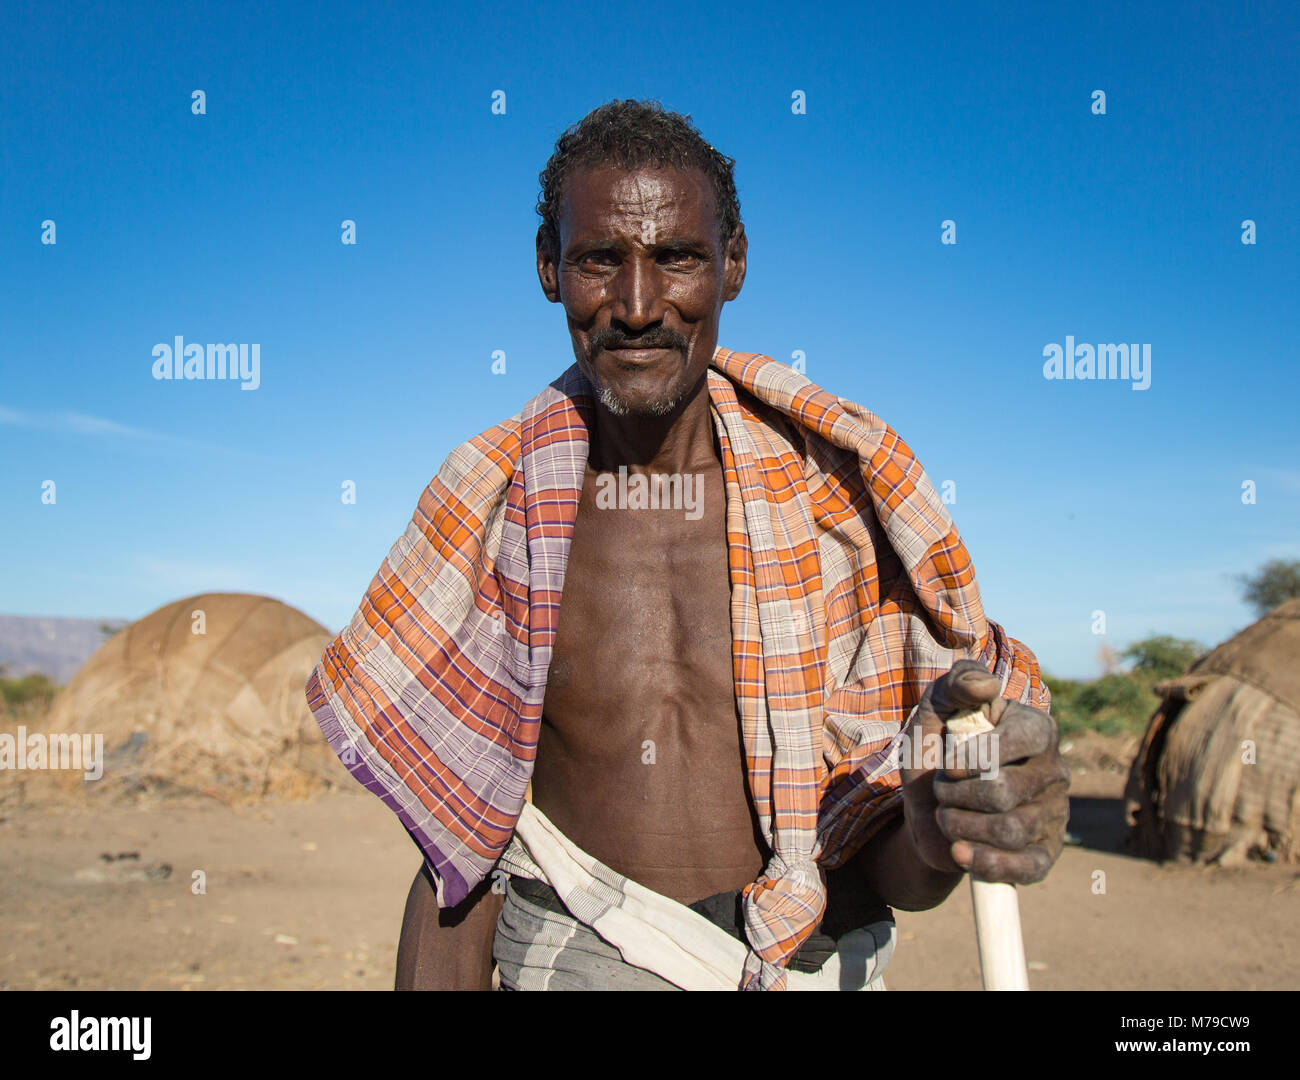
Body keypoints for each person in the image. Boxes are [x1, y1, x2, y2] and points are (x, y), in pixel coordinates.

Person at [304, 99, 1069, 991]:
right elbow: (461, 849)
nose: (637, 307)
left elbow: (892, 866)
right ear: (549, 267)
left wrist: (942, 828)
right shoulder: (494, 517)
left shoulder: (840, 505)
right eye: (600, 259)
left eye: (676, 257)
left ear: (732, 262)